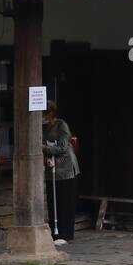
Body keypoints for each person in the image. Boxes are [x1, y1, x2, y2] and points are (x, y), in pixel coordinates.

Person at [42, 101, 80, 245]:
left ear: (50, 113)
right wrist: (46, 156)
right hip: (51, 168)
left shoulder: (61, 125)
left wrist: (44, 148)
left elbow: (63, 147)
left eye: (44, 114)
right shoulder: (44, 128)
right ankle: (54, 231)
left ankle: (66, 233)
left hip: (66, 168)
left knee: (66, 200)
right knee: (53, 200)